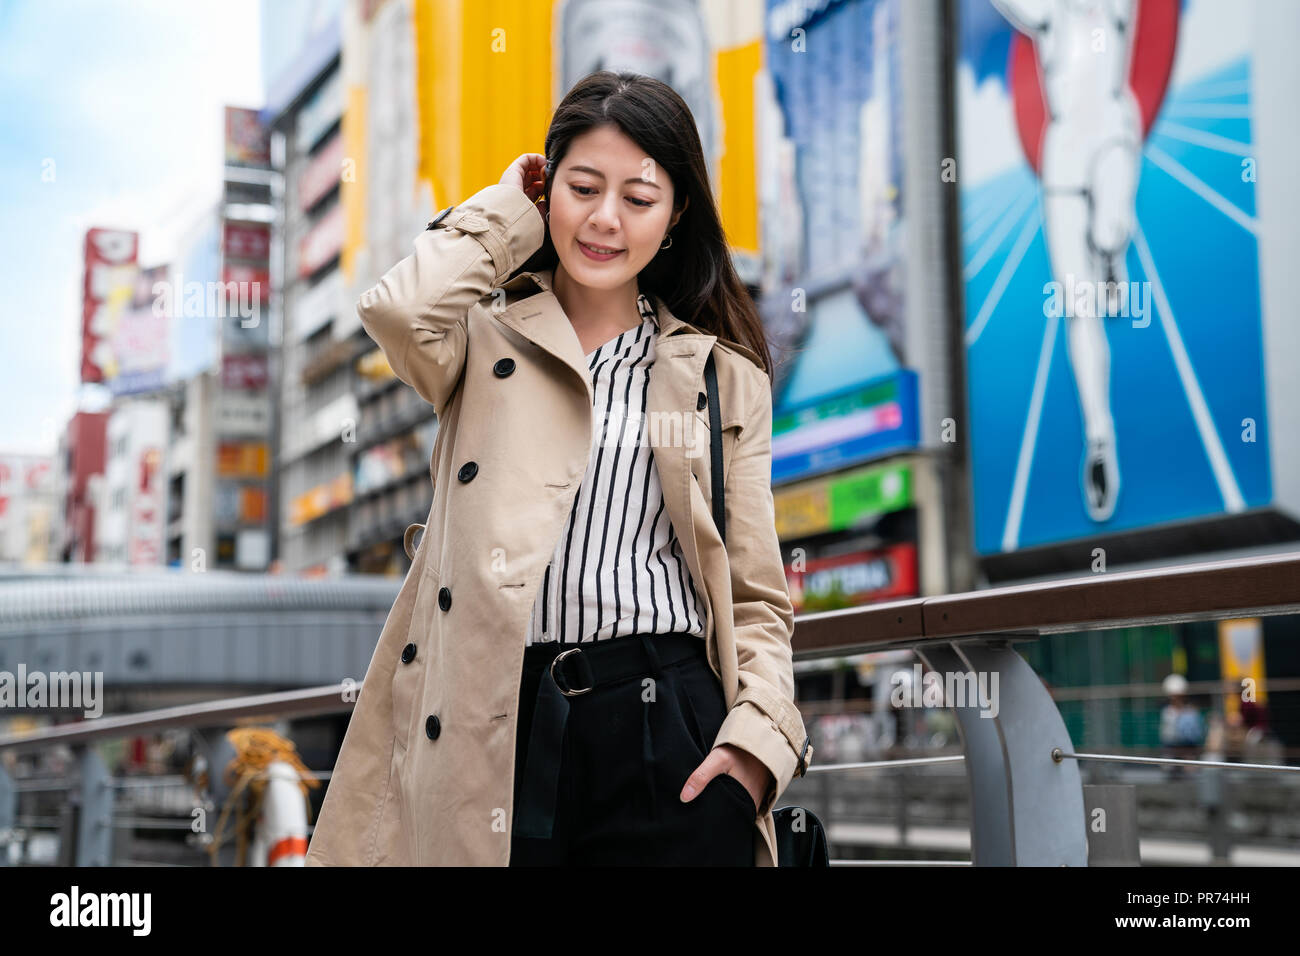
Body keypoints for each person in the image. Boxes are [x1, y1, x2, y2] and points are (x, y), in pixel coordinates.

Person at [305, 71, 811, 867]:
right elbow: (399, 309)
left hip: (666, 725)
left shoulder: (720, 376)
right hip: (498, 722)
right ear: (551, 193)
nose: (605, 219)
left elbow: (755, 596)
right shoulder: (482, 343)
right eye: (582, 187)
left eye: (639, 199)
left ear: (676, 215)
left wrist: (755, 750)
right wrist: (510, 209)